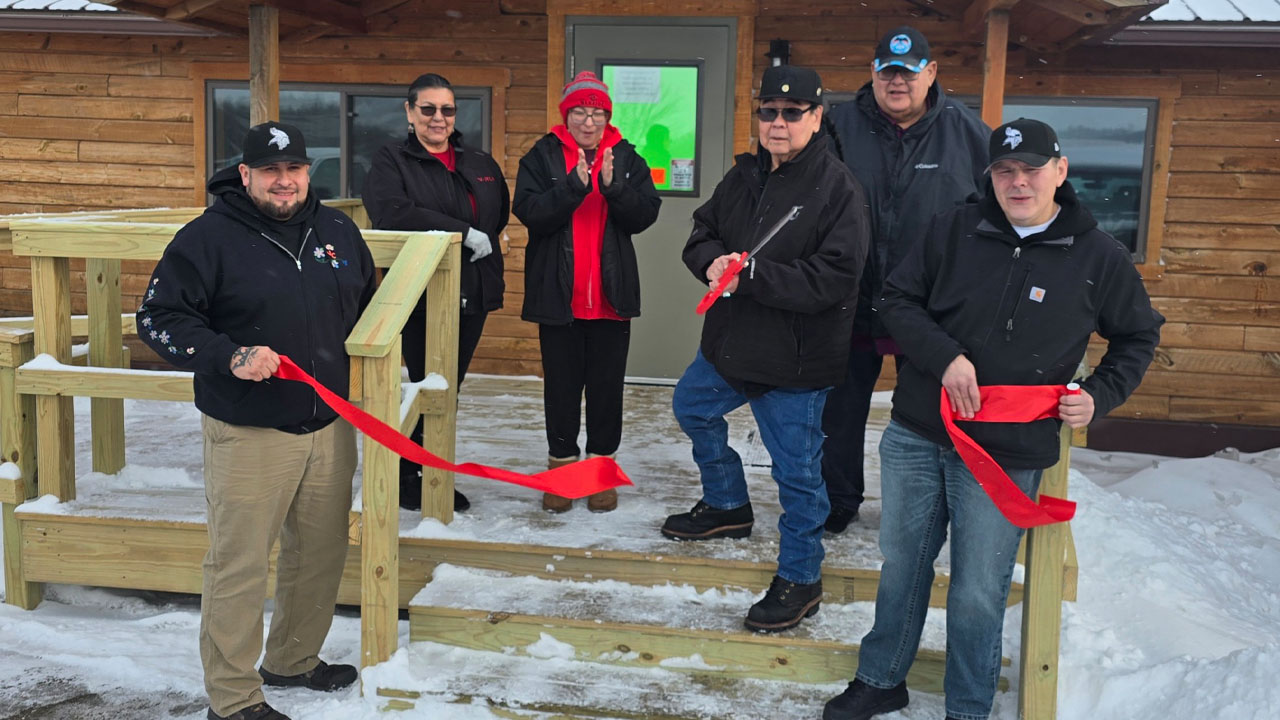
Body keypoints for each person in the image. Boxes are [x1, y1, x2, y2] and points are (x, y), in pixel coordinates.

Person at [822, 118, 1163, 720]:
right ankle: (881, 678)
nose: (1018, 182)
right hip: (918, 432)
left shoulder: (1097, 255)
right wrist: (945, 357)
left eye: (1032, 170)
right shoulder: (954, 228)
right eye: (1004, 171)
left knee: (980, 589)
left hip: (1007, 450)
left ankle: (968, 706)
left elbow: (1138, 335)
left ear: (1060, 172)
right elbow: (897, 300)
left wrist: (1101, 394)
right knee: (903, 565)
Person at [137, 122, 378, 720]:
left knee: (319, 553)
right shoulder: (207, 238)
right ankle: (234, 697)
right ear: (244, 175)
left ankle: (292, 661)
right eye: (270, 171)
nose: (284, 181)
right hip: (248, 430)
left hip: (328, 424)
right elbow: (158, 317)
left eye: (294, 169)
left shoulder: (339, 230)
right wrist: (227, 355)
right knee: (239, 564)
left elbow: (367, 306)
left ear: (307, 173)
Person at [660, 65, 869, 632]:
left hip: (796, 361)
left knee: (798, 473)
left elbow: (835, 279)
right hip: (730, 345)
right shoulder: (744, 175)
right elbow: (702, 231)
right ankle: (728, 505)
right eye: (768, 112)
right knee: (692, 407)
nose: (778, 123)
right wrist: (711, 262)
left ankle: (801, 578)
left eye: (792, 112)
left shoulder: (838, 188)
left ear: (817, 117)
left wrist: (750, 277)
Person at [822, 25, 990, 534]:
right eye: (888, 72)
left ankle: (923, 514)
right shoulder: (837, 126)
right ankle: (836, 503)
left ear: (931, 74)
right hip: (849, 299)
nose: (898, 83)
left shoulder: (967, 133)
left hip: (925, 307)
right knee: (839, 415)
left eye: (909, 73)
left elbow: (998, 209)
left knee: (924, 419)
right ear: (873, 73)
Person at [512, 70, 661, 513]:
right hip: (558, 299)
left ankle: (599, 476)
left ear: (607, 115)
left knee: (606, 390)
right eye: (579, 111)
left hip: (612, 302)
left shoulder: (627, 157)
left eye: (597, 112)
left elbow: (644, 215)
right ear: (566, 114)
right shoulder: (540, 157)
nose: (589, 121)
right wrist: (574, 186)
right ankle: (561, 473)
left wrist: (615, 189)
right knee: (559, 390)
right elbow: (531, 213)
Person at [363, 72, 509, 513]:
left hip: (473, 288)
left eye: (447, 109)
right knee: (426, 382)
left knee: (451, 385)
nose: (438, 118)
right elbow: (392, 212)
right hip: (421, 292)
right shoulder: (392, 161)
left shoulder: (477, 161)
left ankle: (431, 467)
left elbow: (497, 211)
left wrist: (478, 235)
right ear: (410, 113)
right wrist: (462, 231)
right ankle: (412, 474)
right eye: (428, 109)